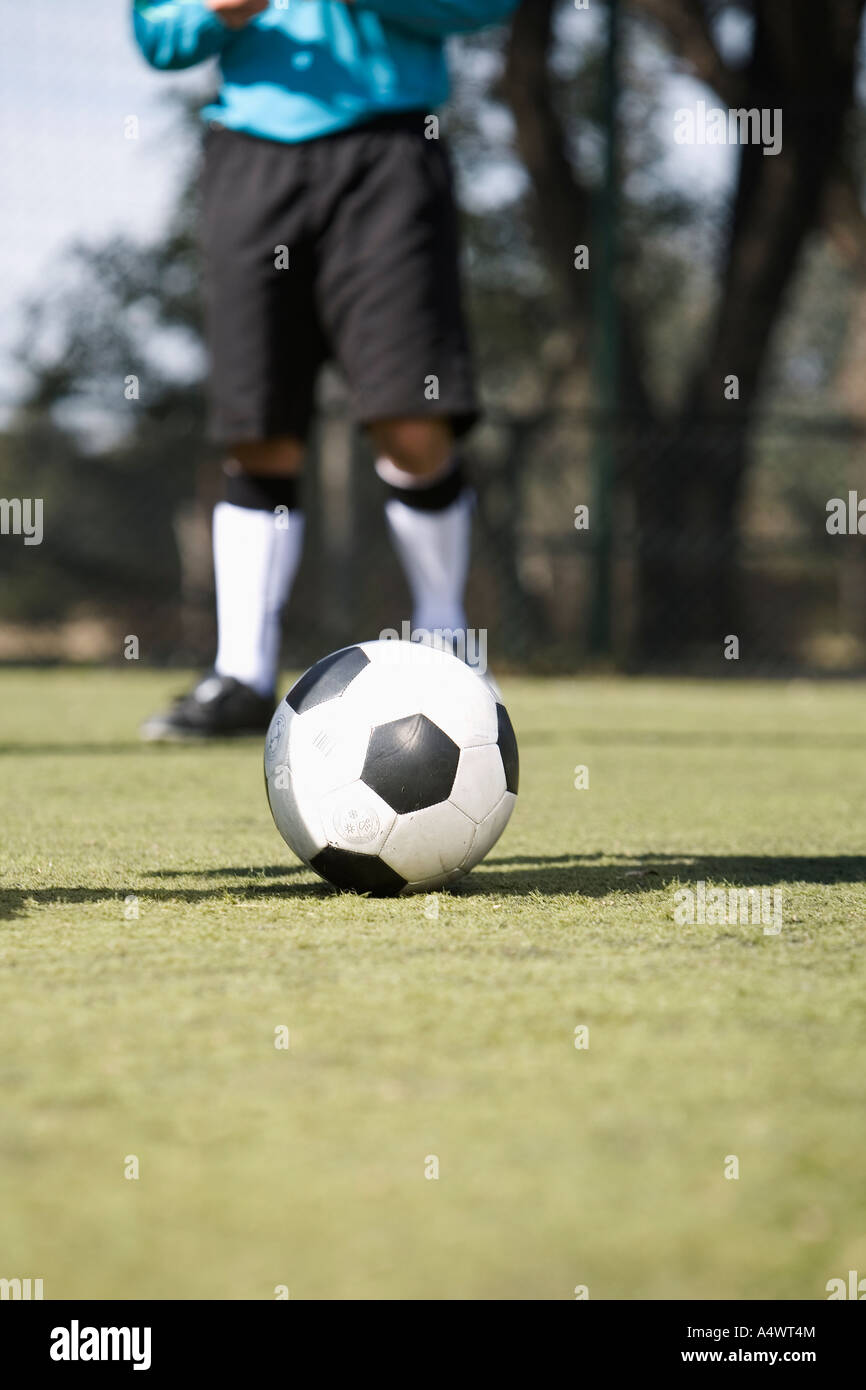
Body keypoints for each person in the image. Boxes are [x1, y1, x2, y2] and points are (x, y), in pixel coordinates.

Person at [132, 0, 516, 740]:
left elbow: (486, 6)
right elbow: (158, 32)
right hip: (250, 153)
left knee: (411, 416)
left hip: (391, 152)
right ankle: (240, 676)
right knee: (257, 423)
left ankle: (449, 651)